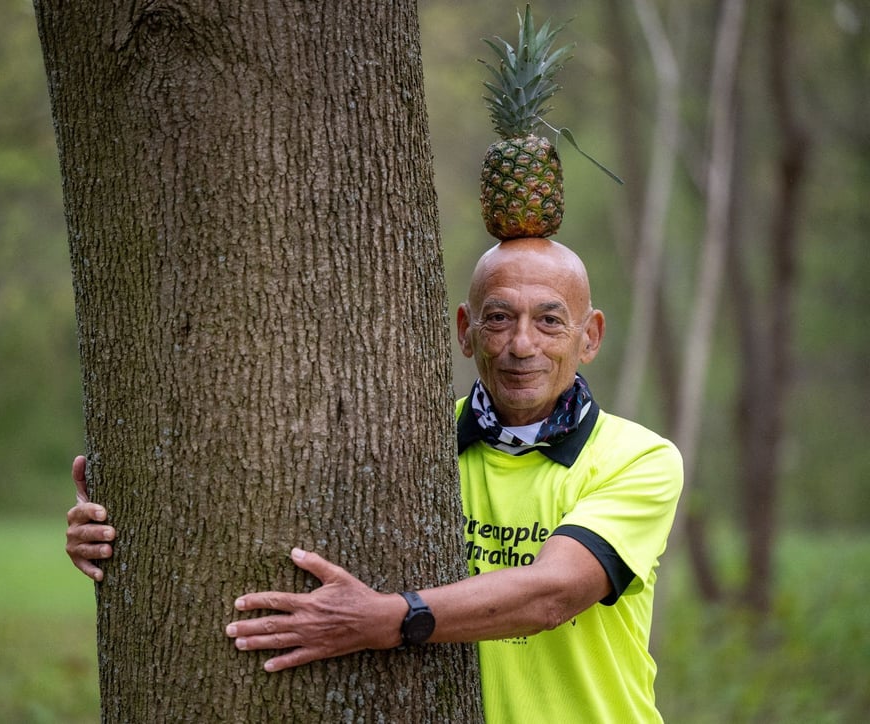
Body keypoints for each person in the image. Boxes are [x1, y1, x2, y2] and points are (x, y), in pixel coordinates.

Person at [65, 237, 683, 722]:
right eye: (499, 318)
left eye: (549, 321)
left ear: (589, 336)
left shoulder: (639, 459)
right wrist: (126, 529)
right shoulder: (418, 444)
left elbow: (552, 595)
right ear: (465, 330)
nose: (522, 344)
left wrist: (385, 619)